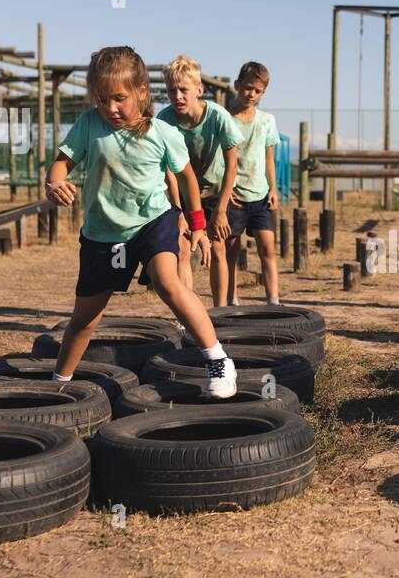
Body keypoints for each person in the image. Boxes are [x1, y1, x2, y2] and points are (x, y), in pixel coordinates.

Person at [44, 46, 237, 396]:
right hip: (103, 234)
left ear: (142, 92)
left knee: (168, 282)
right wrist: (53, 182)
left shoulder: (161, 132)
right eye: (102, 99)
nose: (110, 108)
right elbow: (60, 164)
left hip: (153, 221)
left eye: (119, 98)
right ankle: (59, 385)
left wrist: (197, 226)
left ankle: (218, 359)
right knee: (85, 319)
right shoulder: (89, 124)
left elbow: (187, 178)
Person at [156, 54, 242, 303]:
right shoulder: (164, 121)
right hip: (182, 193)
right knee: (184, 249)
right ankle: (188, 312)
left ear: (199, 89)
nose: (178, 96)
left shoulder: (217, 117)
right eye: (172, 90)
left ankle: (220, 311)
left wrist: (222, 209)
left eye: (183, 89)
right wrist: (179, 210)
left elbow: (232, 164)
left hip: (215, 192)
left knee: (218, 247)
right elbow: (168, 172)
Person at [219, 61, 282, 305]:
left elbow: (269, 158)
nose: (251, 94)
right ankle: (232, 300)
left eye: (257, 91)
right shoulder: (225, 119)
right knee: (231, 252)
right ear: (237, 86)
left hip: (261, 196)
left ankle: (273, 301)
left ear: (263, 93)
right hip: (235, 197)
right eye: (247, 88)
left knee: (268, 249)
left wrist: (274, 189)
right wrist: (225, 191)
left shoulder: (267, 120)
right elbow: (219, 159)